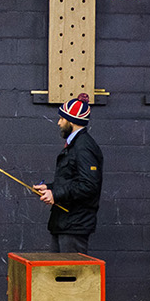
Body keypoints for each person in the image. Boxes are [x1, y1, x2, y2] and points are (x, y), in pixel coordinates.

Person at [32, 93, 103, 253]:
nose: (58, 123)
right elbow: (74, 181)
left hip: (74, 225)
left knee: (70, 275)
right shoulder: (76, 145)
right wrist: (49, 189)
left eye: (62, 119)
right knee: (59, 273)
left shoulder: (84, 148)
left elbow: (89, 185)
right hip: (66, 223)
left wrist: (55, 194)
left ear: (71, 121)